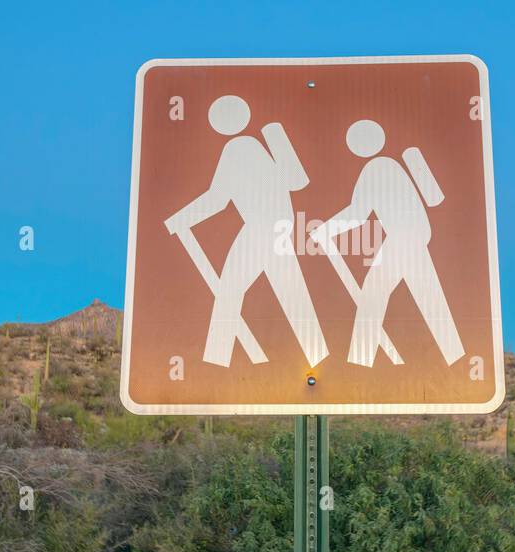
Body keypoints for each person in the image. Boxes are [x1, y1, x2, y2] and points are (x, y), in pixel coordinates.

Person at [164, 95, 328, 369]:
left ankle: (217, 361)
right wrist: (181, 220)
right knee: (292, 294)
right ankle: (318, 354)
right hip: (278, 229)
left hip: (259, 229)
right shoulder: (256, 147)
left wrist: (179, 220)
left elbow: (218, 198)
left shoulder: (237, 148)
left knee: (230, 289)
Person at [311, 119, 464, 368]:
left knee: (373, 294)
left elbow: (358, 213)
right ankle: (454, 355)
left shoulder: (376, 168)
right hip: (415, 236)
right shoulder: (391, 165)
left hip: (402, 238)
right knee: (430, 298)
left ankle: (360, 361)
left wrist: (326, 229)